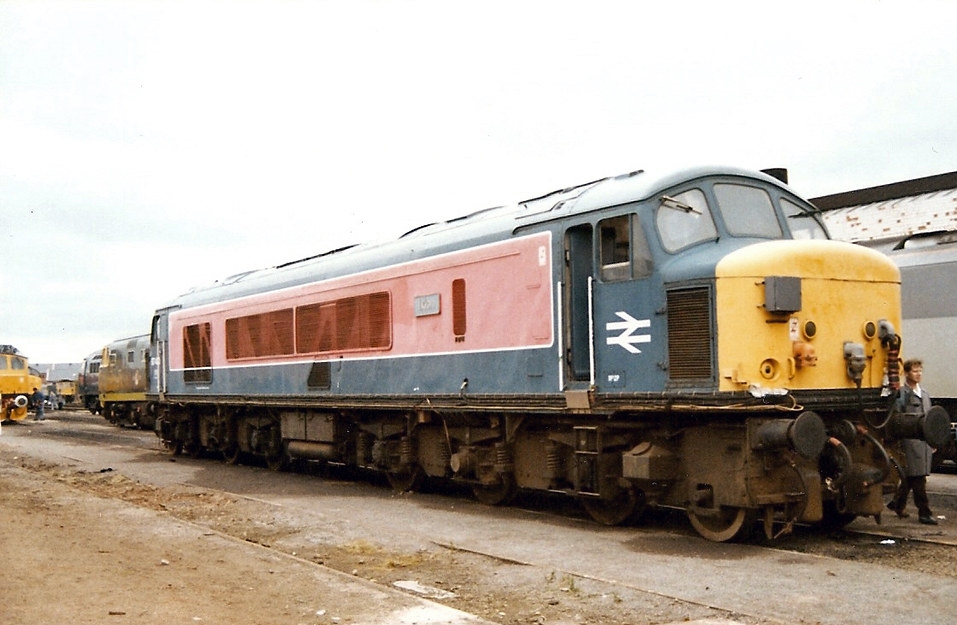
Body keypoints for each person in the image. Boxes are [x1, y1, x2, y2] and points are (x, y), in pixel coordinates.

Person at [887, 359, 938, 525]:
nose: (919, 374)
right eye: (915, 371)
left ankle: (897, 504)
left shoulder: (924, 394)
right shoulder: (902, 395)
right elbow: (897, 419)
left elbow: (929, 420)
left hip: (923, 443)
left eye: (920, 371)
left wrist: (932, 440)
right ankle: (924, 512)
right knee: (918, 478)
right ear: (907, 373)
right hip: (909, 443)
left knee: (911, 477)